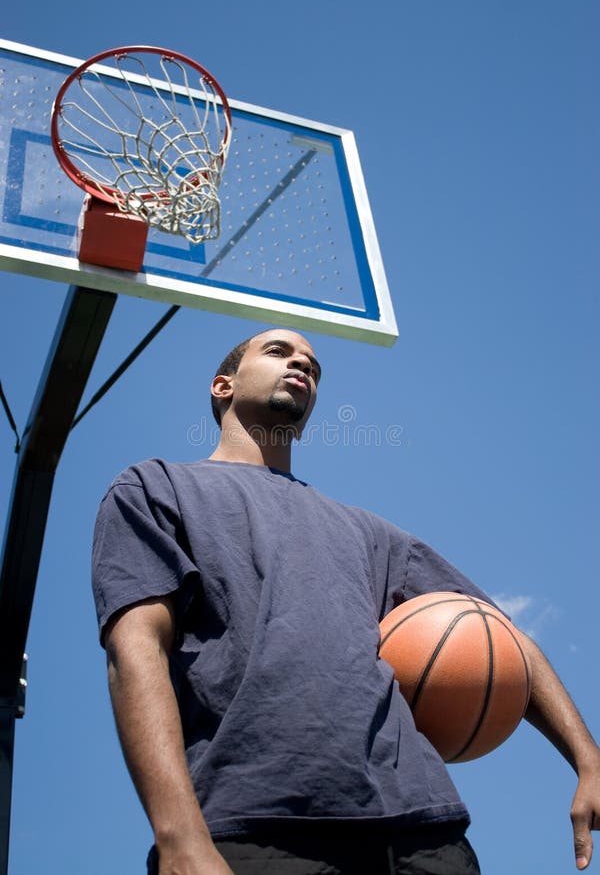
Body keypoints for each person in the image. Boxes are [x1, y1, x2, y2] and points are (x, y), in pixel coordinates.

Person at [92, 328, 600, 875]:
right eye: (279, 351)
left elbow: (505, 640)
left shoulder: (370, 534)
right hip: (252, 827)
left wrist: (588, 761)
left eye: (313, 364)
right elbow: (135, 647)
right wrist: (178, 837)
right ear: (223, 386)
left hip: (422, 830)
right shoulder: (156, 487)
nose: (302, 364)